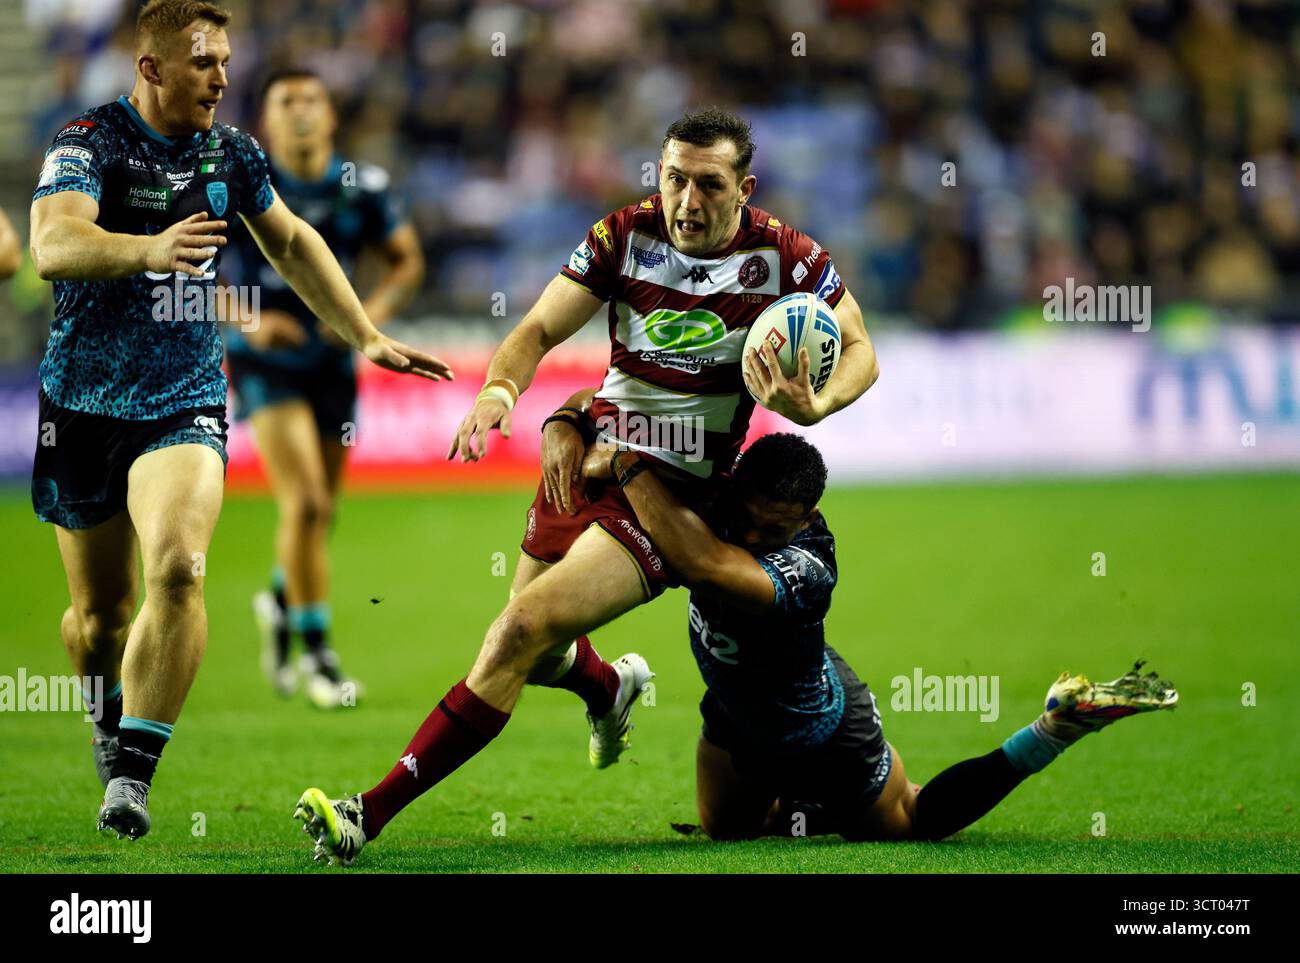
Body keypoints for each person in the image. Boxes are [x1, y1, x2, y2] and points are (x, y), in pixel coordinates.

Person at [293, 107, 881, 865]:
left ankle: (363, 816)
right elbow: (536, 329)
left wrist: (820, 402)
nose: (687, 202)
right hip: (591, 456)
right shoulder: (623, 236)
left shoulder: (784, 258)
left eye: (708, 184)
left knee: (515, 633)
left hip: (671, 495)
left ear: (745, 188)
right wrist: (502, 394)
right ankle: (606, 688)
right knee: (535, 652)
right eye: (675, 179)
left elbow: (861, 344)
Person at [27, 0, 450, 840]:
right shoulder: (89, 140)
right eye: (203, 62)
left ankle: (133, 777)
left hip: (183, 396)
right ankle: (105, 714)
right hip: (78, 405)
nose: (223, 76)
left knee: (180, 568)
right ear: (151, 69)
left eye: (226, 59)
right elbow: (51, 245)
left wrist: (364, 332)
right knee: (99, 619)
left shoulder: (232, 153)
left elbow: (289, 243)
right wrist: (146, 249)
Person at [581, 431, 1179, 841]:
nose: (760, 537)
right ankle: (819, 812)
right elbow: (610, 404)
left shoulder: (809, 567)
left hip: (818, 729)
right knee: (728, 832)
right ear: (738, 490)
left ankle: (1054, 730)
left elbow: (704, 566)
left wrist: (626, 464)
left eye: (777, 528)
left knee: (914, 818)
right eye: (753, 519)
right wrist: (569, 423)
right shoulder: (720, 498)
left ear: (808, 518)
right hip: (735, 713)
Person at [222, 67, 426, 707]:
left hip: (333, 363)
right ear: (267, 120)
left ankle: (279, 603)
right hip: (266, 364)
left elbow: (407, 260)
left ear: (332, 116)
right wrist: (248, 321)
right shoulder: (239, 183)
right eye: (287, 101)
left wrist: (367, 321)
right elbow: (188, 267)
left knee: (322, 514)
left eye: (314, 98)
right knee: (305, 504)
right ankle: (319, 659)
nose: (303, 110)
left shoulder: (361, 186)